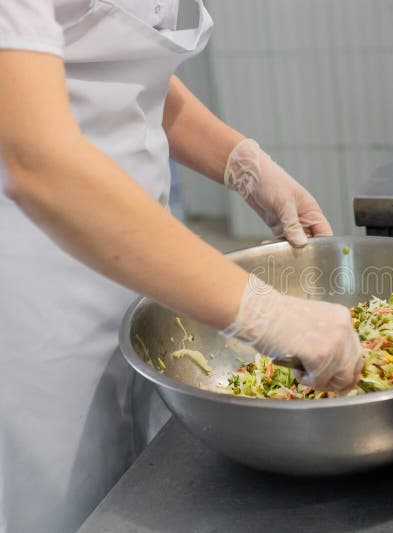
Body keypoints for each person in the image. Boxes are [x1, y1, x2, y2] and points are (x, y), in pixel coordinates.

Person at [0, 1, 363, 531]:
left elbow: (106, 65)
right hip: (33, 285)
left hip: (139, 256)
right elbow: (34, 161)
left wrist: (243, 163)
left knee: (140, 488)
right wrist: (266, 313)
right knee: (64, 506)